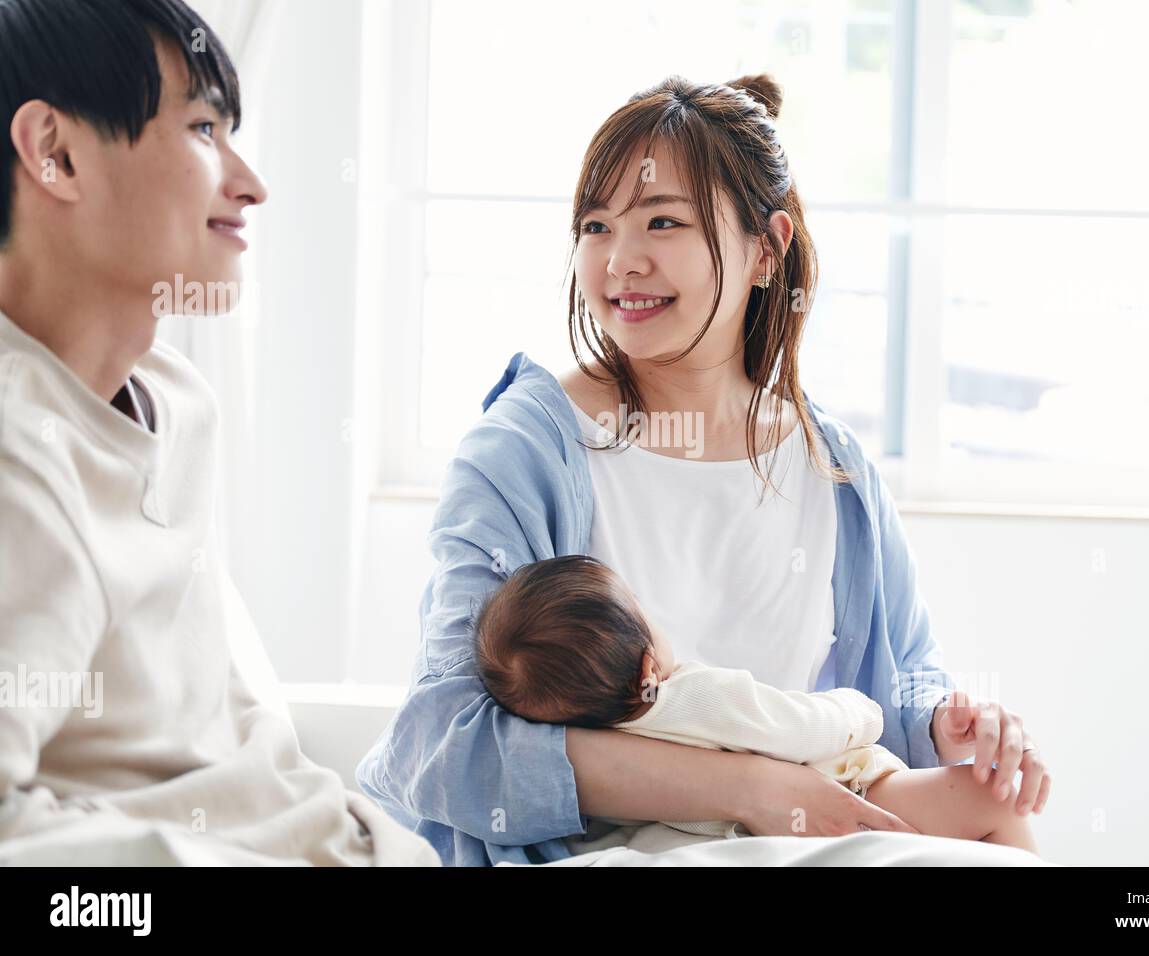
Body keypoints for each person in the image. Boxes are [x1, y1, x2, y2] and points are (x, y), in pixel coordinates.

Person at [358, 73, 1052, 867]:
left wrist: (952, 723)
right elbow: (447, 743)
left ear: (768, 249)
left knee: (994, 816)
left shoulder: (835, 471)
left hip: (809, 834)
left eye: (663, 222)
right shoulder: (523, 450)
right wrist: (750, 789)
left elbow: (905, 675)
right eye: (596, 225)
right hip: (601, 852)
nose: (622, 260)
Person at [0, 0, 438, 866]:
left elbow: (221, 732)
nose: (250, 183)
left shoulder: (174, 398)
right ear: (54, 153)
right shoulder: (21, 458)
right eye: (203, 127)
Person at [472, 554, 1040, 855]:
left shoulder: (593, 752)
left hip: (720, 843)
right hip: (843, 796)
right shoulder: (697, 697)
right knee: (996, 801)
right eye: (644, 611)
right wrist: (862, 713)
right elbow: (801, 729)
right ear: (649, 665)